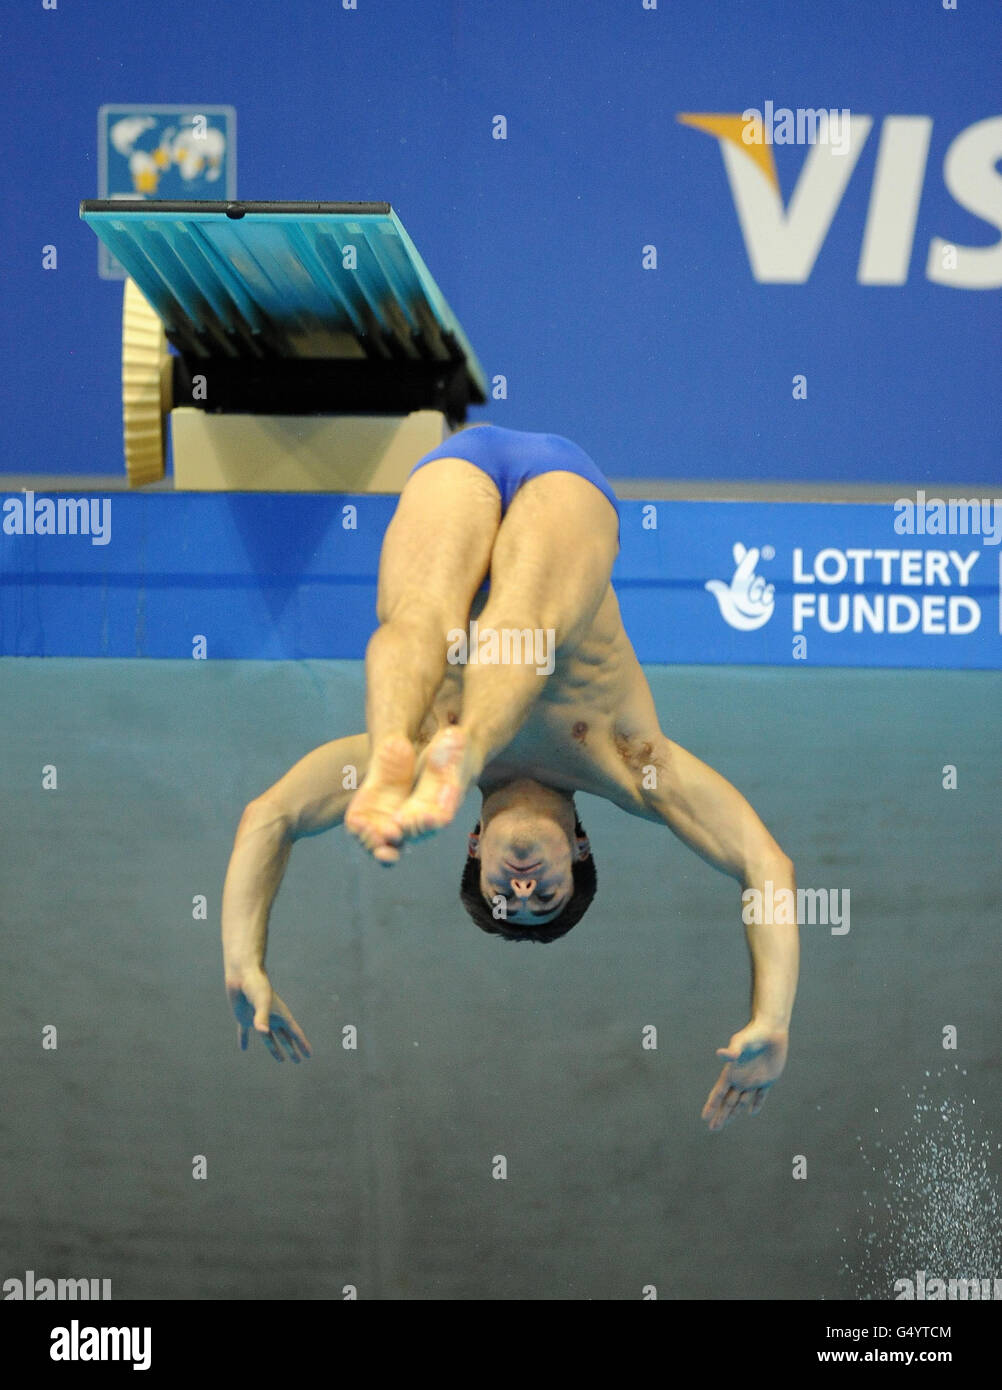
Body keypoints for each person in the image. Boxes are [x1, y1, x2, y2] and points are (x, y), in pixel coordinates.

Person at [221, 424, 799, 1131]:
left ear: (476, 849)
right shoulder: (631, 766)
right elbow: (763, 862)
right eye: (543, 895)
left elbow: (269, 817)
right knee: (523, 627)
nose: (521, 887)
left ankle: (419, 752)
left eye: (504, 895)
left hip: (454, 471)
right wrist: (772, 1017)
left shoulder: (426, 745)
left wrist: (243, 958)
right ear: (579, 850)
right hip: (565, 490)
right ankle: (463, 748)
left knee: (418, 621)